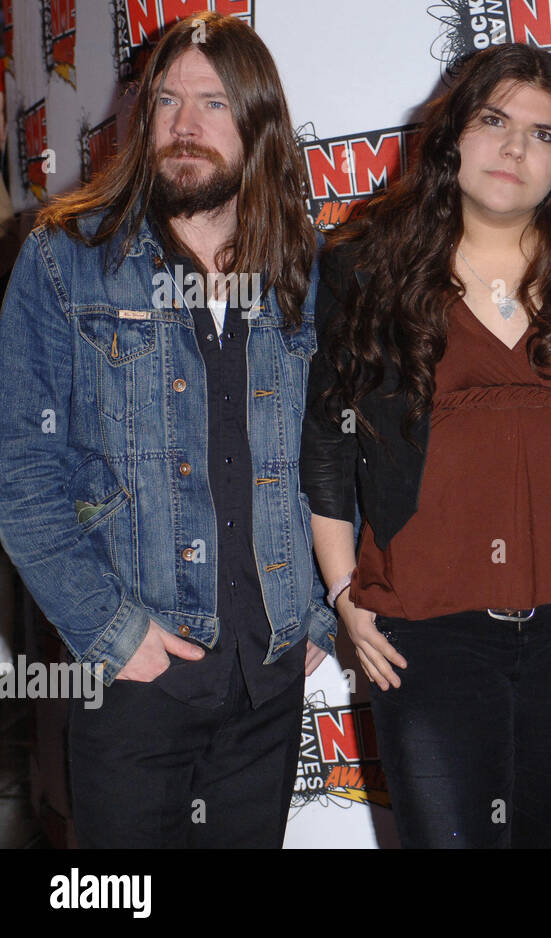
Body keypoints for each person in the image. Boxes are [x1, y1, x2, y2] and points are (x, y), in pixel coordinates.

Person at [0, 12, 333, 848]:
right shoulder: (65, 260)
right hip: (136, 673)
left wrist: (320, 613)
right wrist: (110, 632)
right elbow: (20, 468)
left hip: (267, 674)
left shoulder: (305, 272)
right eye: (167, 104)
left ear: (257, 124)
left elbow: (336, 451)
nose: (184, 128)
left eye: (213, 104)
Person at [300, 42, 551, 849]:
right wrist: (345, 594)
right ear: (453, 134)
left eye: (543, 133)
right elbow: (327, 444)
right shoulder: (366, 268)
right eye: (494, 121)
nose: (515, 148)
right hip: (426, 632)